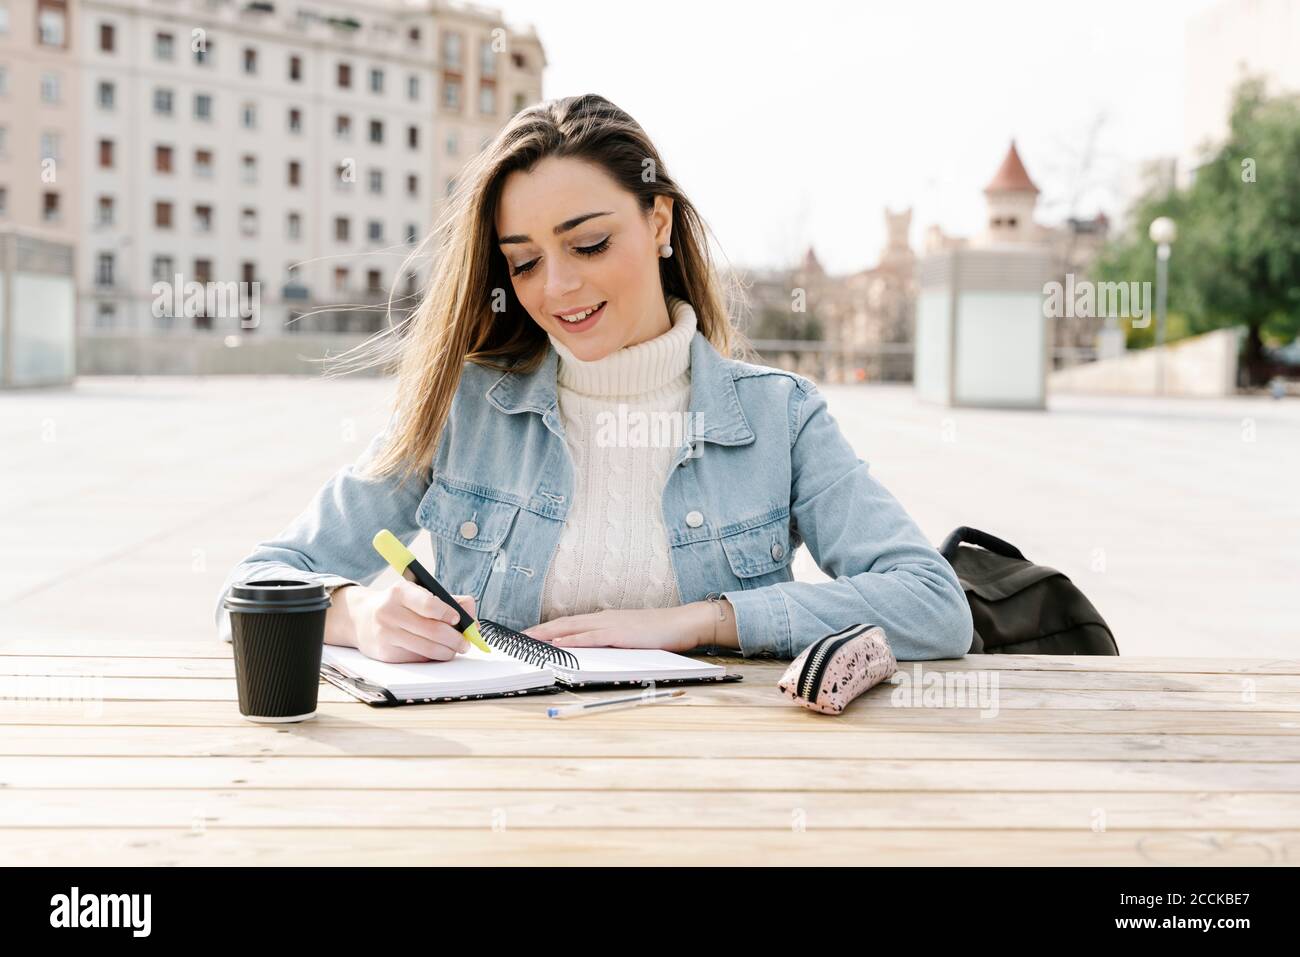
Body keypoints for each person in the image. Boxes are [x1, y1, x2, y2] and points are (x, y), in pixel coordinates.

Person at [213, 94, 972, 665]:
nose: (559, 288)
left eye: (589, 243)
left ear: (659, 221)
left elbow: (934, 606)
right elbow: (253, 586)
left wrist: (705, 620)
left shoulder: (780, 416)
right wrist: (357, 613)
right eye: (526, 261)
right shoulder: (464, 410)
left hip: (722, 790)